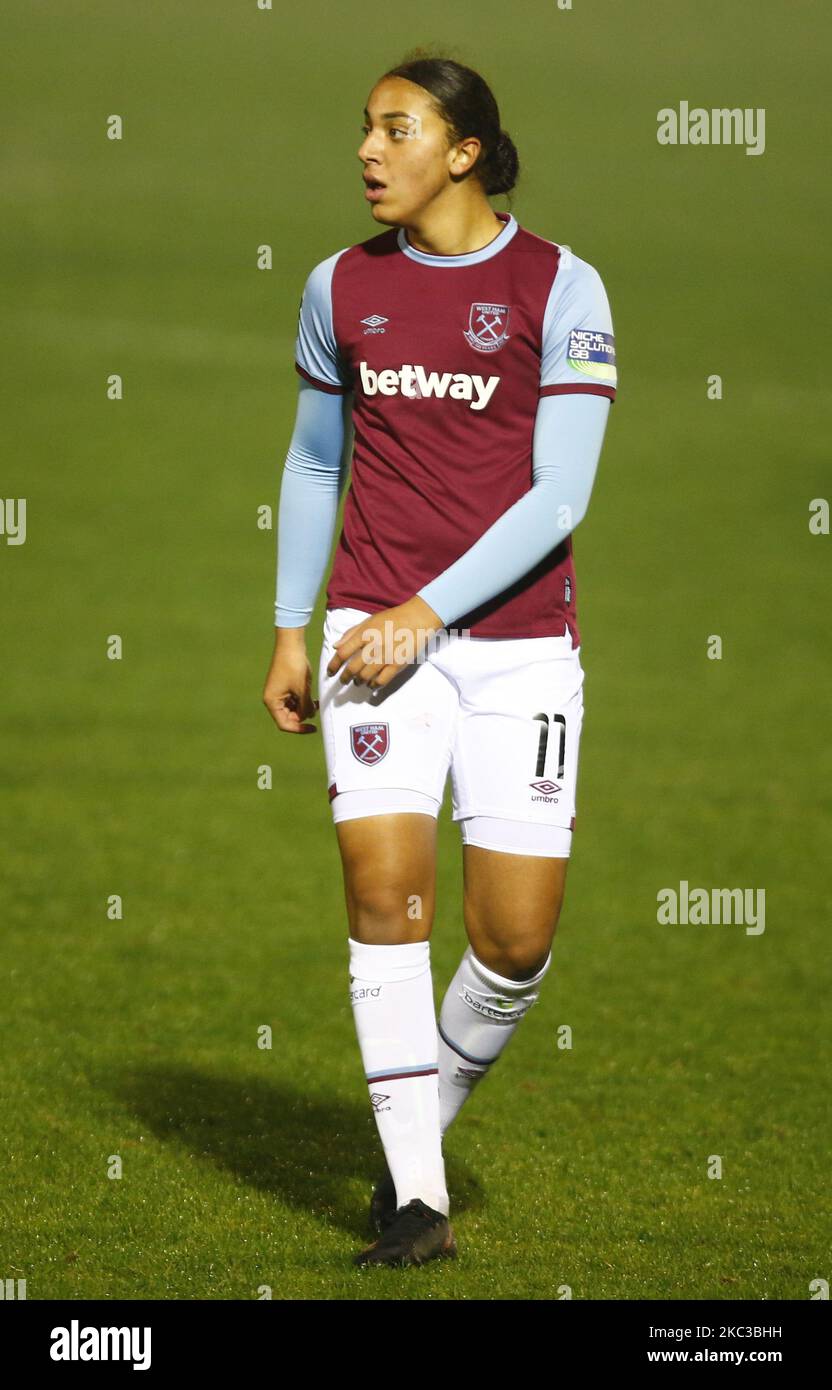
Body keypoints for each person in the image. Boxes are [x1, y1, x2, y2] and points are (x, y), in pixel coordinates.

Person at [262, 52, 617, 1268]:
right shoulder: (337, 288)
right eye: (363, 128)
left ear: (463, 149)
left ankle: (409, 1137)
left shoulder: (561, 288)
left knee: (512, 940)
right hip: (372, 635)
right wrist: (291, 626)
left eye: (395, 129)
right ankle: (418, 1200)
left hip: (519, 652)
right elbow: (316, 462)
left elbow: (559, 493)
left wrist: (430, 608)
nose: (367, 151)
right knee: (385, 896)